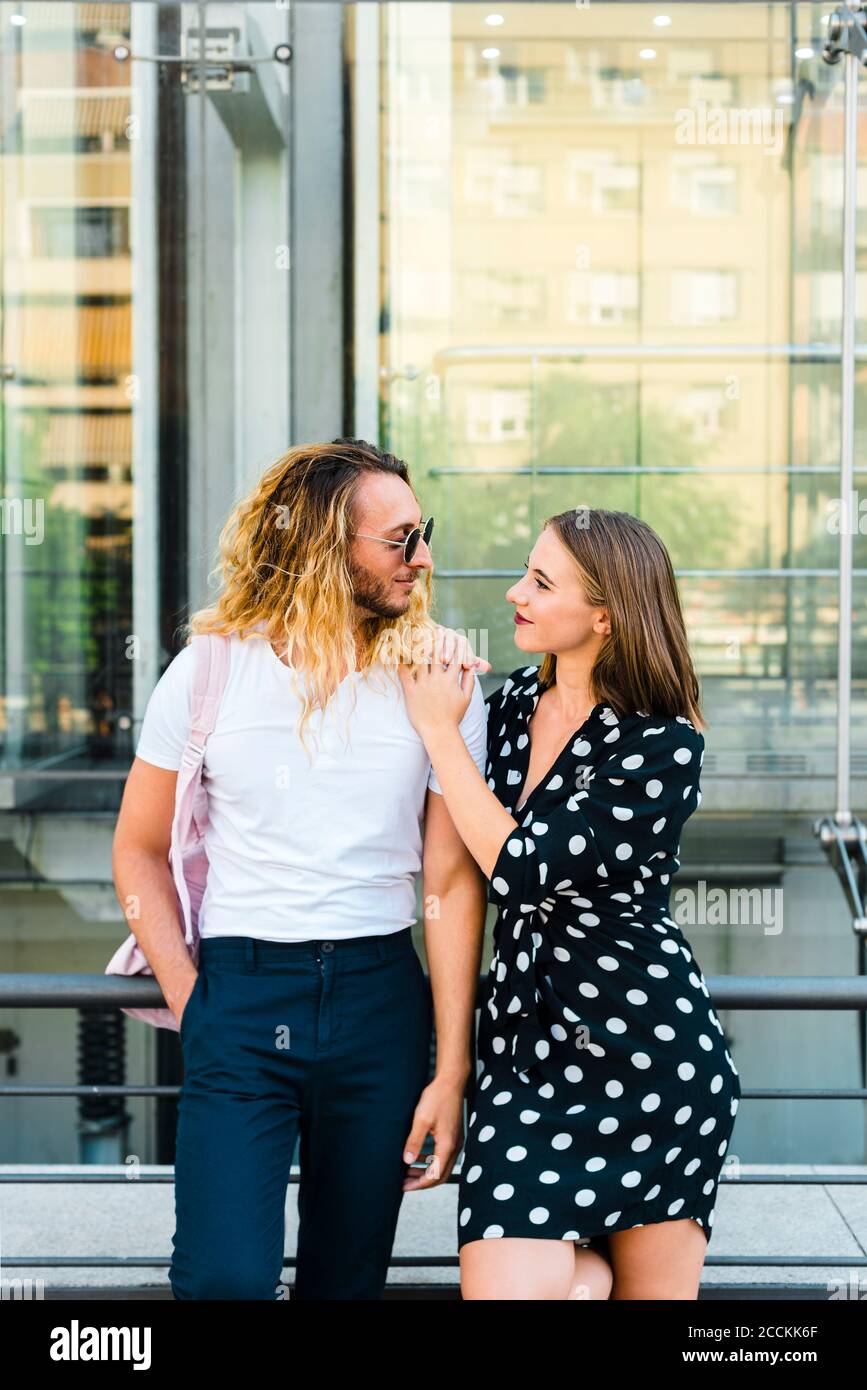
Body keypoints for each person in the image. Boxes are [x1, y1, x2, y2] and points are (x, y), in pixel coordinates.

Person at [112, 438, 492, 1300]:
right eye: (399, 539)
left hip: (379, 996)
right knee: (222, 1282)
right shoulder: (207, 672)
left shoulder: (439, 681)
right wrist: (191, 1000)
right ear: (325, 545)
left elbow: (449, 885)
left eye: (421, 531)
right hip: (241, 1000)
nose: (422, 556)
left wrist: (449, 1069)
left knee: (344, 1285)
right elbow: (135, 848)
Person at [398, 506, 742, 1301]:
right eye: (525, 570)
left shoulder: (660, 743)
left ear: (604, 614)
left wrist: (439, 734)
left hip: (653, 1063)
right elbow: (454, 872)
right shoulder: (512, 704)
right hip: (521, 1065)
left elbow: (522, 870)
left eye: (541, 582)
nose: (516, 591)